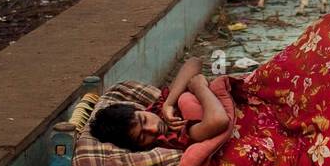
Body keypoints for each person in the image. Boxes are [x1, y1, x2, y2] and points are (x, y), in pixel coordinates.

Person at [90, 55, 229, 151]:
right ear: (139, 147)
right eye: (143, 136)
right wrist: (200, 88)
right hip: (229, 113)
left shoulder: (158, 110)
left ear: (138, 109)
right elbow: (219, 121)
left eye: (144, 120)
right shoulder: (170, 138)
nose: (154, 128)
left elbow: (194, 62)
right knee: (185, 99)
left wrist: (168, 103)